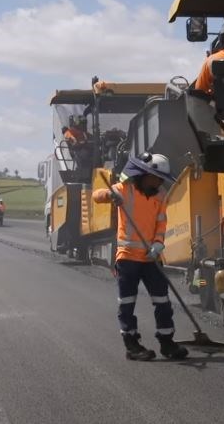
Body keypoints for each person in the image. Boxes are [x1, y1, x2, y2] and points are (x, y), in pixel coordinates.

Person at [92, 152, 188, 361]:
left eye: (160, 179)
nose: (158, 182)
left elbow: (161, 223)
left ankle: (167, 343)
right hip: (127, 258)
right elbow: (96, 195)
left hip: (150, 257)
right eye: (155, 177)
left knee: (162, 301)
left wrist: (158, 244)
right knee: (127, 302)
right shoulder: (124, 190)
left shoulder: (161, 195)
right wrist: (110, 196)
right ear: (144, 174)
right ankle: (132, 345)